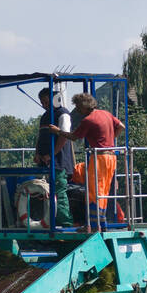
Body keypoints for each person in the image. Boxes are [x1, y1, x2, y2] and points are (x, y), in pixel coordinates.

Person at [49, 94, 125, 229]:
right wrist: (110, 140)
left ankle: (94, 224)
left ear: (84, 106)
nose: (77, 110)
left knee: (93, 191)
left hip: (99, 158)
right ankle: (101, 222)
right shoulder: (106, 114)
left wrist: (58, 131)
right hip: (111, 157)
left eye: (78, 106)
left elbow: (73, 137)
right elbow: (121, 126)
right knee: (104, 191)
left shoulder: (88, 120)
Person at [34, 87, 74, 224]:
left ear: (55, 100)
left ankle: (65, 223)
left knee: (59, 193)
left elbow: (64, 137)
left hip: (59, 163)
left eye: (46, 102)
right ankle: (47, 222)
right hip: (44, 162)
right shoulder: (45, 116)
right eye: (42, 102)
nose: (44, 105)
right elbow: (40, 137)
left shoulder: (63, 114)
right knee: (42, 192)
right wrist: (37, 154)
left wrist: (52, 154)